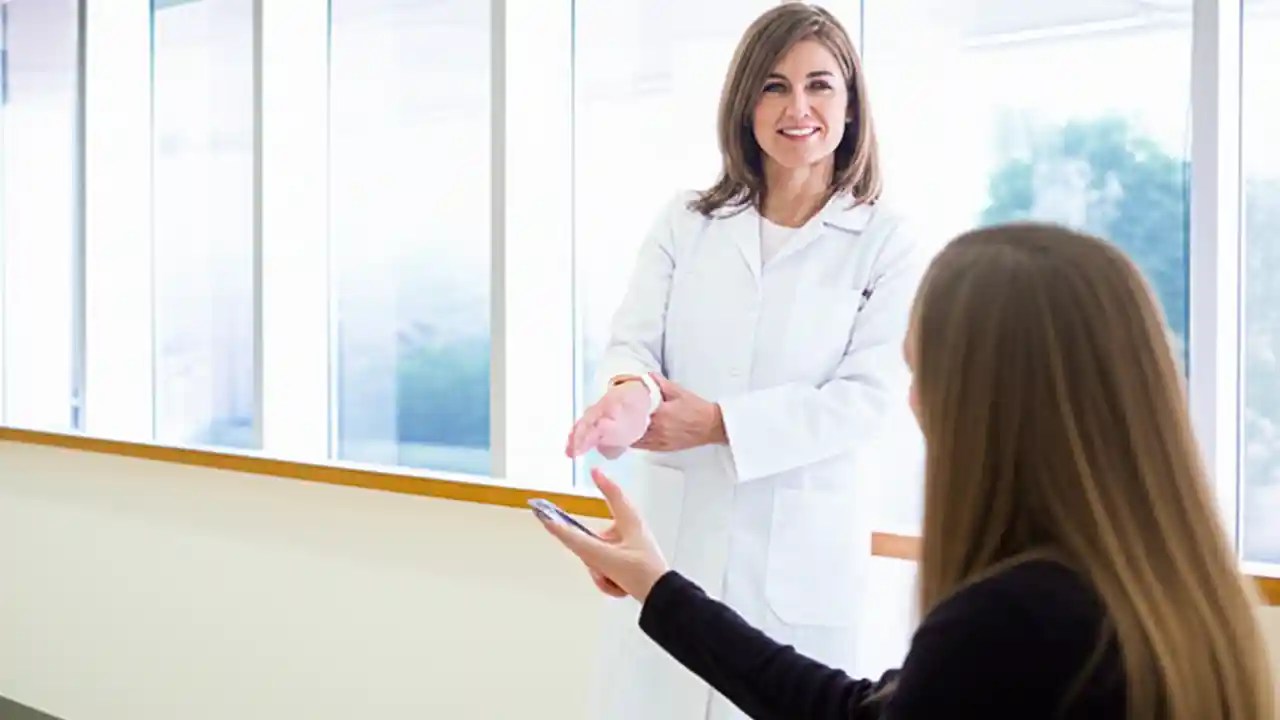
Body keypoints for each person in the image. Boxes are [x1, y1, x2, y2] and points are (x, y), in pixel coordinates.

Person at [540, 223, 1277, 719]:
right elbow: (867, 709)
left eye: (925, 376)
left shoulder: (1009, 621)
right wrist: (659, 587)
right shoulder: (1177, 593)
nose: (915, 405)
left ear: (994, 403)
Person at [563, 4, 927, 718]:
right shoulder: (686, 220)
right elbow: (632, 342)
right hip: (677, 534)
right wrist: (629, 394)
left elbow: (867, 397)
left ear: (850, 106)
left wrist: (720, 423)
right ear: (744, 104)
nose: (798, 108)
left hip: (801, 563)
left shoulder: (885, 241)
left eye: (820, 86)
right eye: (773, 85)